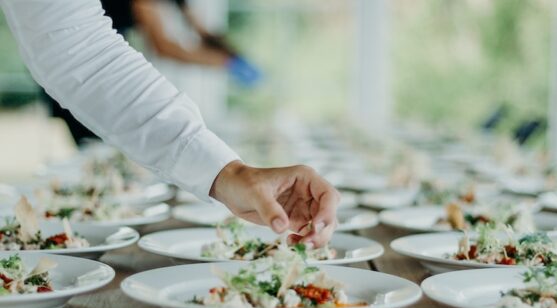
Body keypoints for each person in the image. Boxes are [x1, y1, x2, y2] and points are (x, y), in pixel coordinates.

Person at [1, 0, 337, 246]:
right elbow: (156, 45)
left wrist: (231, 173)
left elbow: (79, 48)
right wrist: (224, 65)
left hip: (98, 87)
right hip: (75, 96)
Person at [45, 0, 260, 145]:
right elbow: (163, 46)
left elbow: (204, 33)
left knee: (116, 144)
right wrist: (225, 64)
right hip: (81, 66)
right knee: (98, 146)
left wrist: (237, 56)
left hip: (105, 66)